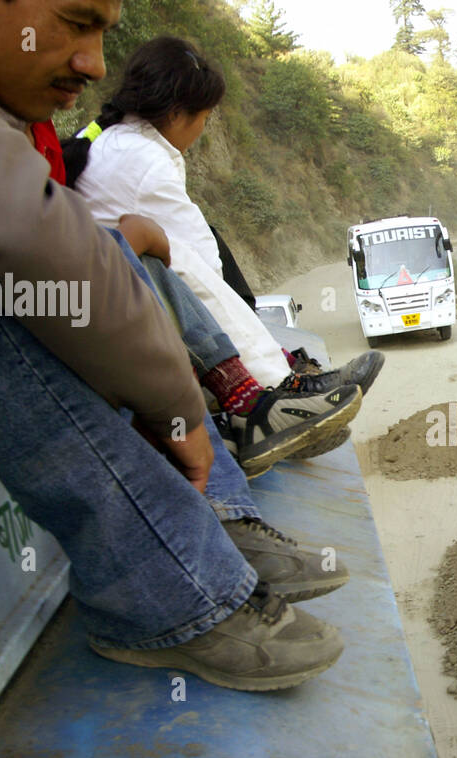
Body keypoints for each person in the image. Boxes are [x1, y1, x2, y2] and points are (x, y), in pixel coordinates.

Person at [0, 0, 346, 691]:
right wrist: (176, 409)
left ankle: (214, 520)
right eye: (77, 22)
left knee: (87, 249)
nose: (96, 63)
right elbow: (20, 232)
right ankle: (171, 593)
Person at [64, 37, 384, 460]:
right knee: (188, 268)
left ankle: (281, 381)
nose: (203, 128)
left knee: (194, 253)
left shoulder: (121, 143)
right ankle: (272, 393)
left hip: (107, 296)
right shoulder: (144, 162)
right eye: (205, 117)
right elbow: (205, 275)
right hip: (115, 310)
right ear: (178, 114)